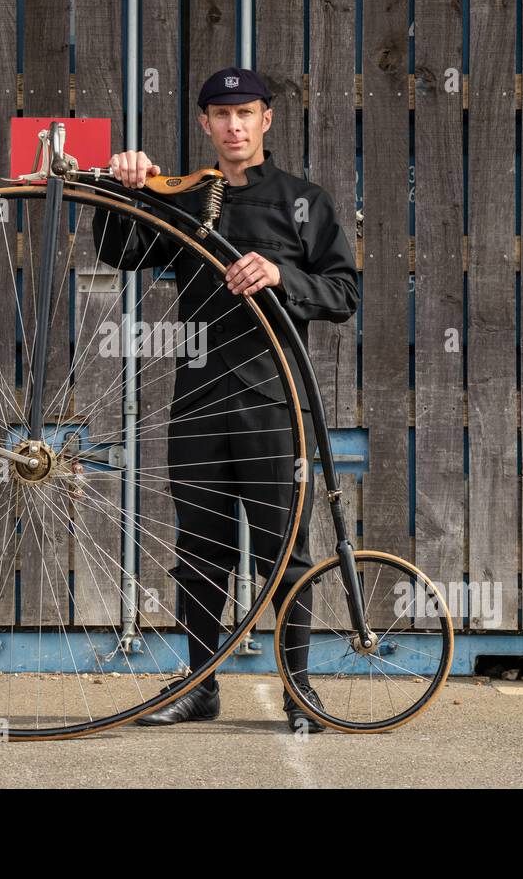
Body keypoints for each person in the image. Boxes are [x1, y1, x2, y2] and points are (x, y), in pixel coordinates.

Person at [91, 66, 360, 732]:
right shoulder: (186, 195)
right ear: (206, 124)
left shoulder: (304, 201)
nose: (234, 126)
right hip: (199, 400)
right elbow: (123, 249)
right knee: (202, 548)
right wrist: (115, 182)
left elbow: (345, 293)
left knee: (284, 551)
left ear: (267, 119)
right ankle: (200, 684)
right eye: (221, 114)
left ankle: (301, 690)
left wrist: (281, 272)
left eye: (246, 113)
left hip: (273, 399)